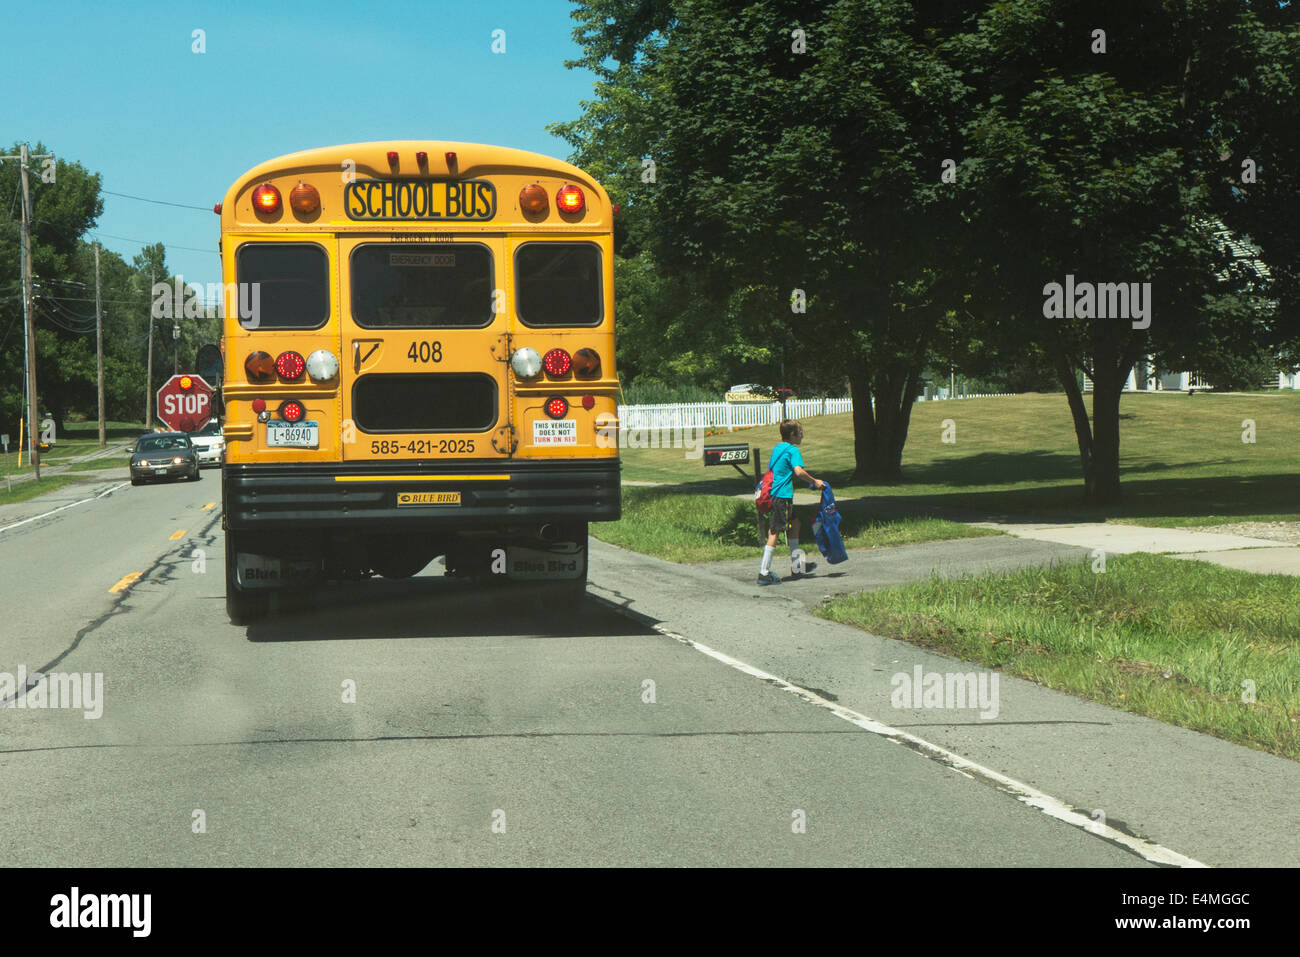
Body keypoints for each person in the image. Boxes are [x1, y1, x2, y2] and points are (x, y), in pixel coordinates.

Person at [759, 419, 825, 585]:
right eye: (800, 433)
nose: (802, 436)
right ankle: (764, 572)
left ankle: (797, 567)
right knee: (775, 531)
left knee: (795, 524)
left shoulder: (778, 448)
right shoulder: (793, 450)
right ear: (793, 434)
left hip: (776, 495)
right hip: (782, 497)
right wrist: (814, 481)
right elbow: (799, 471)